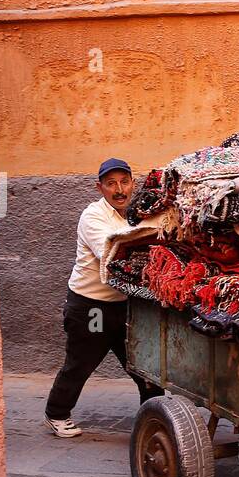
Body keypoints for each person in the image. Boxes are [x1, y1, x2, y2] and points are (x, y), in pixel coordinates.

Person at [43, 158, 164, 437]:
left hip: (124, 307)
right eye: (111, 184)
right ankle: (56, 413)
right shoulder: (92, 216)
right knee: (80, 365)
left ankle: (154, 418)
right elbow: (112, 253)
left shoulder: (138, 214)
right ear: (100, 188)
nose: (119, 189)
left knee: (144, 368)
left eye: (124, 182)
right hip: (89, 307)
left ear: (133, 184)